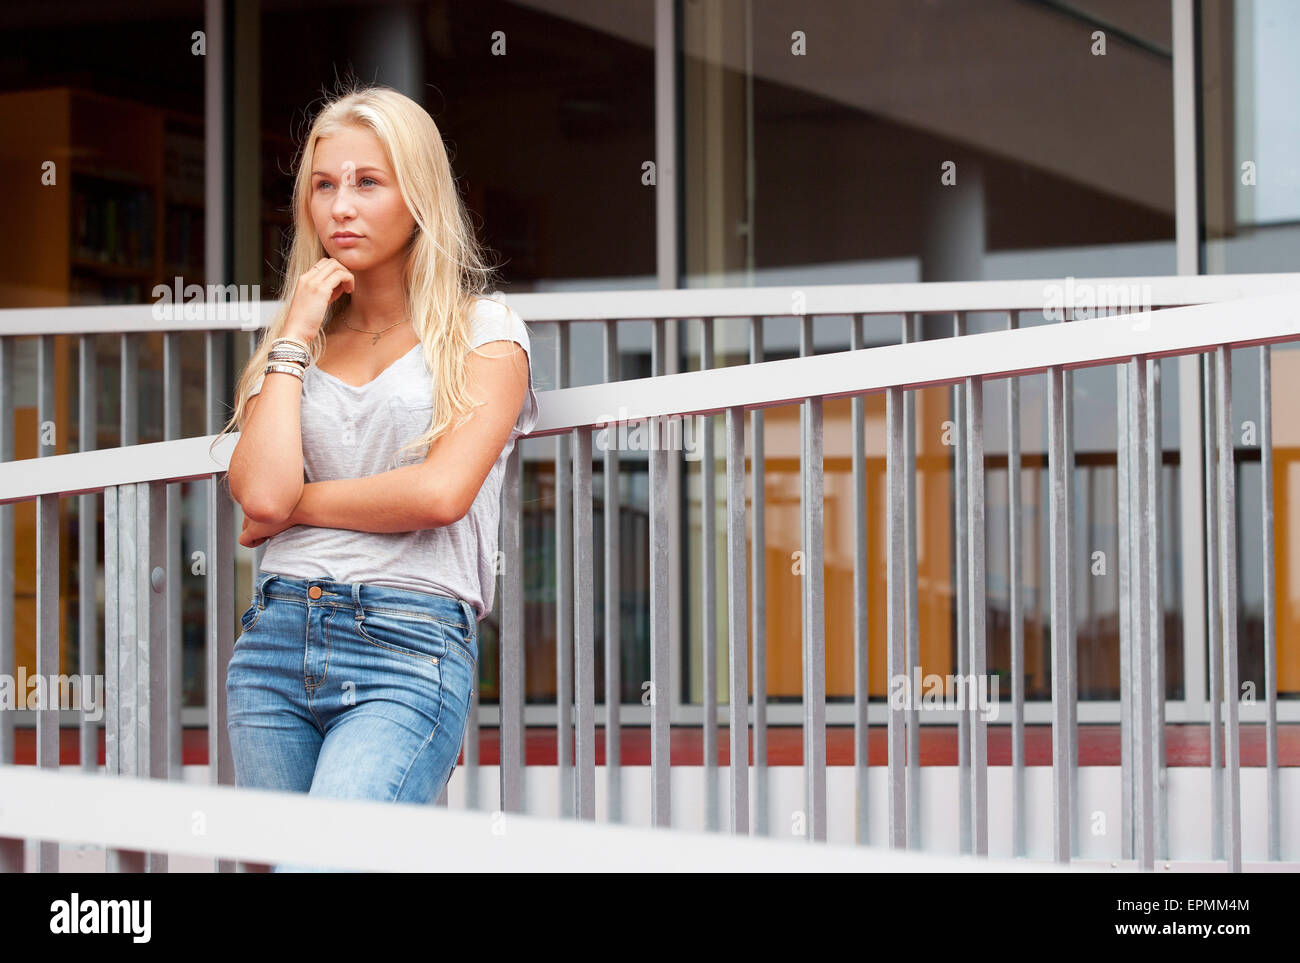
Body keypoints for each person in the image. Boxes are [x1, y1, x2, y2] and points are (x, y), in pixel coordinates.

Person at [210, 83, 539, 872]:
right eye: (323, 185)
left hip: (407, 643)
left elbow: (438, 494)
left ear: (417, 194)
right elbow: (259, 493)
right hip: (275, 640)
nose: (340, 207)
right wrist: (292, 332)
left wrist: (297, 508)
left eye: (367, 182)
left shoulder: (483, 330)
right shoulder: (296, 344)